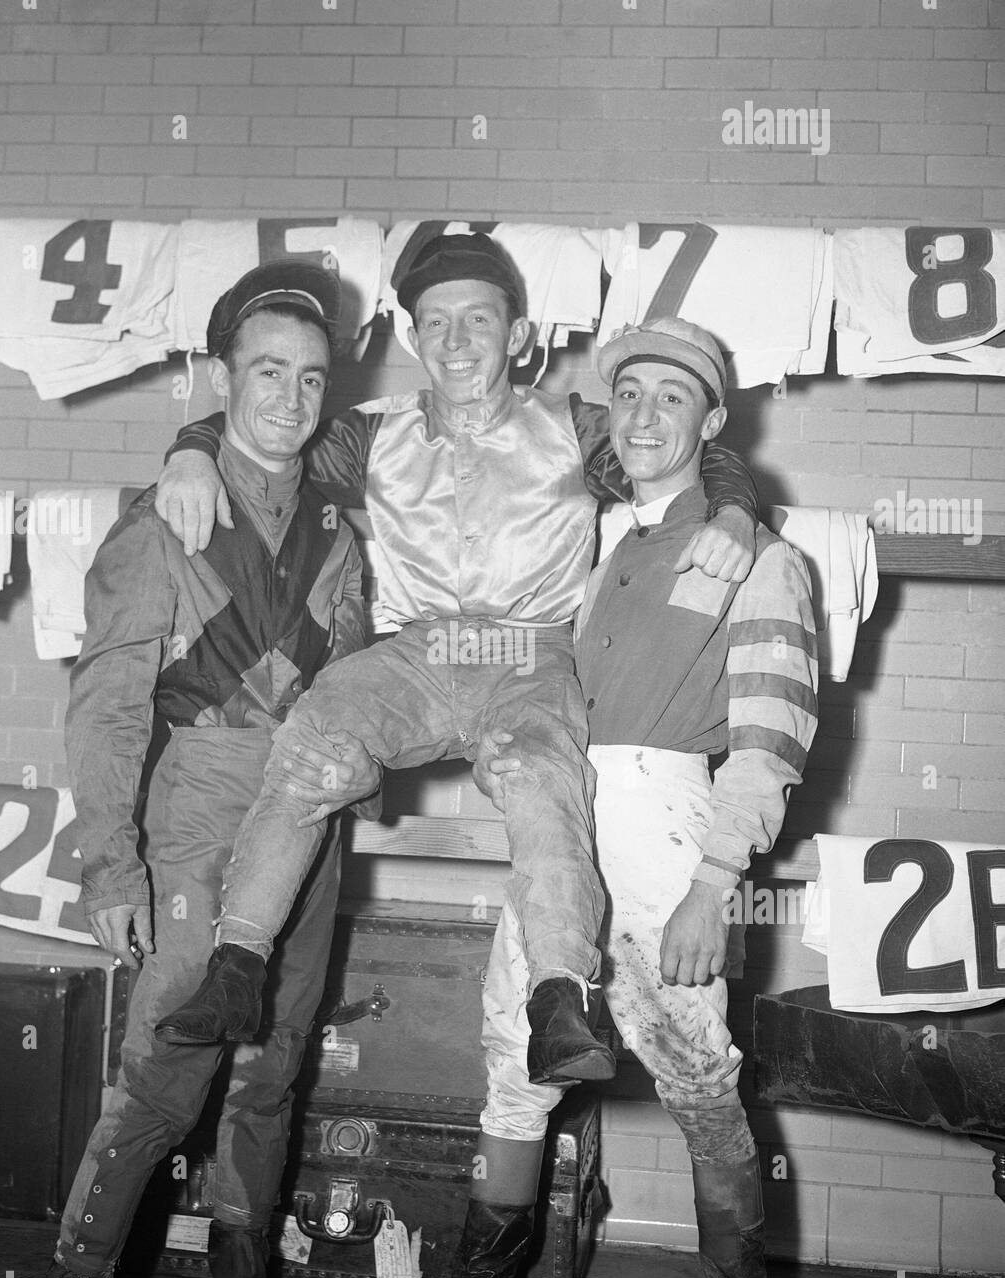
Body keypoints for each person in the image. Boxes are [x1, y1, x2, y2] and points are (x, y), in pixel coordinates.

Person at [150, 233, 761, 1087]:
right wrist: (189, 444)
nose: (457, 339)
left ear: (517, 335)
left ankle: (561, 999)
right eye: (435, 321)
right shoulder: (370, 435)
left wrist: (733, 510)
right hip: (414, 653)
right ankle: (237, 968)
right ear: (411, 336)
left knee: (544, 777)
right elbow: (264, 436)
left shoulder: (573, 426)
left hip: (528, 653)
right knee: (313, 736)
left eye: (479, 319)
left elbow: (686, 450)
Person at [461, 316, 819, 1278]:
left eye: (672, 396)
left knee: (702, 1084)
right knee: (513, 1069)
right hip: (565, 828)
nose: (645, 414)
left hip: (671, 832)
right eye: (627, 395)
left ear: (712, 420)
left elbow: (770, 743)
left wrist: (715, 883)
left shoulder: (766, 559)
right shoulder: (604, 543)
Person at [50, 259, 380, 1278]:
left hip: (313, 821)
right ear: (223, 380)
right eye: (267, 372)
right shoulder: (162, 522)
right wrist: (111, 865)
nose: (289, 398)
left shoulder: (338, 522)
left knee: (275, 1065)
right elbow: (105, 704)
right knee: (163, 1072)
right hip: (198, 807)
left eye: (312, 379)